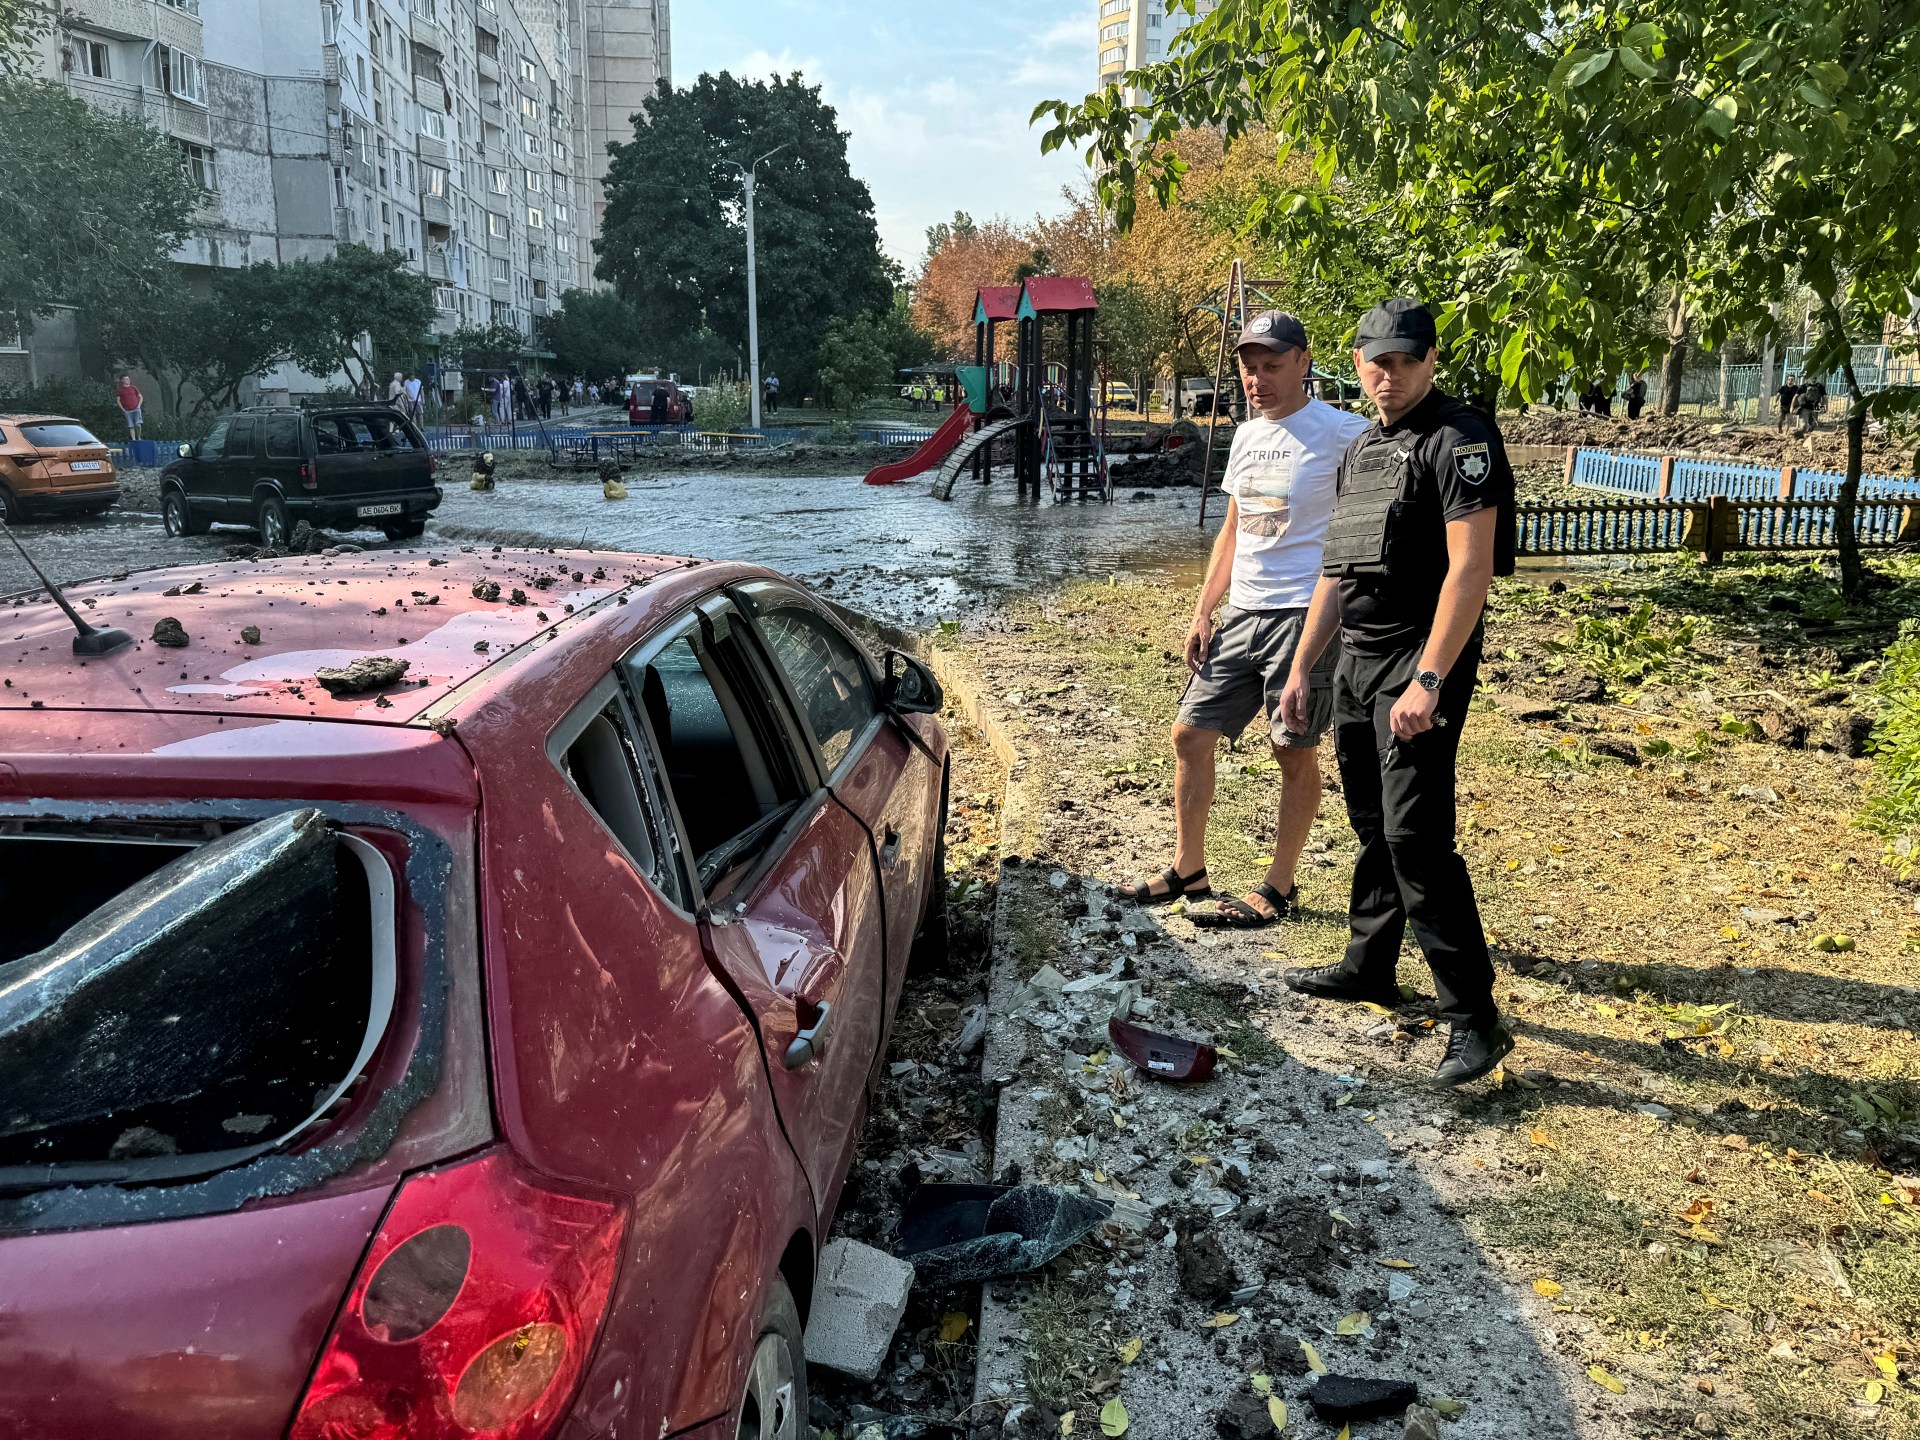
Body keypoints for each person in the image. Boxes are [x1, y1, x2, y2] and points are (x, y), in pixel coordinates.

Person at [1277, 297, 1517, 1086]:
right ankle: (1369, 965)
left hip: (1420, 661)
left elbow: (1470, 568)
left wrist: (1428, 678)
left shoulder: (1460, 438)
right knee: (1373, 822)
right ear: (1357, 364)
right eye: (1378, 361)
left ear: (1430, 361)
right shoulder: (1363, 450)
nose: (1391, 374)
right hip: (1357, 658)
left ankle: (1474, 1019)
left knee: (1416, 836)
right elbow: (1337, 572)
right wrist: (1302, 669)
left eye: (1406, 361)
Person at [1125, 311, 1369, 925]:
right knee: (1189, 734)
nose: (1258, 379)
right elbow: (1234, 529)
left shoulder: (1344, 433)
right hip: (1241, 611)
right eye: (1249, 367)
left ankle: (1279, 887)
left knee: (1291, 748)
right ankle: (1189, 869)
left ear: (1304, 363)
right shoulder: (1244, 435)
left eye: (1273, 366)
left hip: (1303, 613)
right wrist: (1204, 608)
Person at [115, 375, 143, 441]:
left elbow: (140, 397)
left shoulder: (133, 388)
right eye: (126, 379)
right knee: (131, 426)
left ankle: (139, 437)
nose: (128, 380)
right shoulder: (120, 390)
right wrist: (123, 409)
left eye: (128, 379)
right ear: (122, 380)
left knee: (138, 424)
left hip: (136, 409)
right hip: (127, 410)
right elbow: (118, 401)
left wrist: (139, 406)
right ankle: (133, 439)